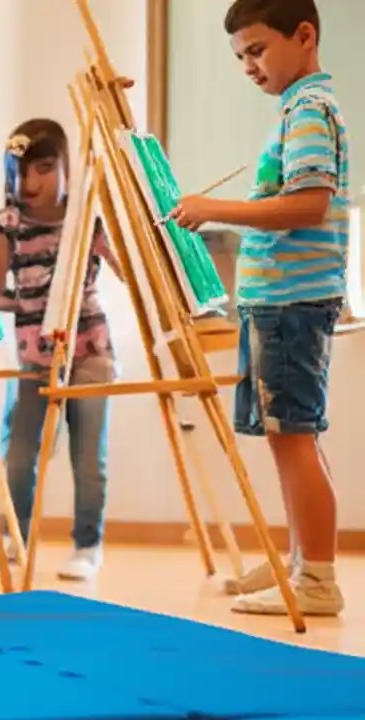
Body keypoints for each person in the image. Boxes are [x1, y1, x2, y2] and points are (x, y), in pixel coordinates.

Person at [168, 0, 347, 617]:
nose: (249, 66)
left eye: (257, 50)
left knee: (294, 437)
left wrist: (215, 210)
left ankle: (317, 580)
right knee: (288, 438)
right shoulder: (295, 111)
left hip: (292, 301)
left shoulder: (309, 111)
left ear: (304, 36)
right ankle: (301, 564)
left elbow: (308, 205)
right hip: (280, 300)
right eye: (240, 56)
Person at [0, 119, 124, 581]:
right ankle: (14, 536)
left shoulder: (87, 219)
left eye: (44, 168)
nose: (30, 183)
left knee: (89, 458)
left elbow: (128, 268)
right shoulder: (7, 225)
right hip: (33, 355)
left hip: (90, 348)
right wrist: (29, 304)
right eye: (20, 171)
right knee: (21, 455)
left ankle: (88, 545)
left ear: (67, 167)